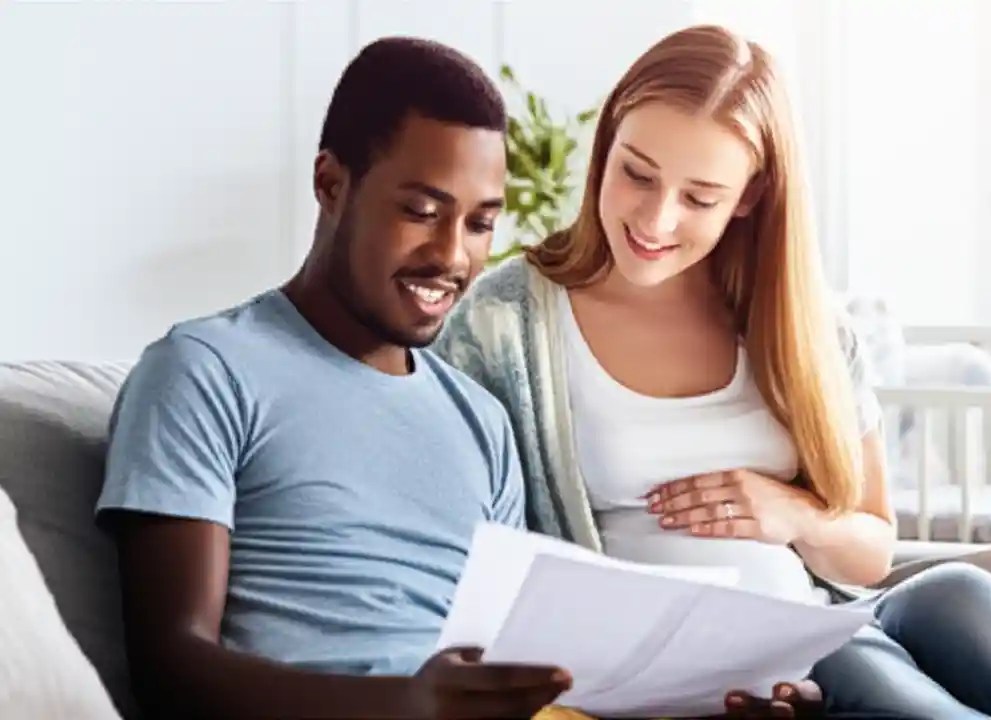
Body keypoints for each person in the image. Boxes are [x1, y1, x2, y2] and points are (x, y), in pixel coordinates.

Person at [95, 36, 804, 720]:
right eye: (421, 212)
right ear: (331, 184)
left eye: (478, 224)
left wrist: (709, 699)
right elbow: (171, 669)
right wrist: (404, 709)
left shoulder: (480, 420)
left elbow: (518, 660)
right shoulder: (204, 371)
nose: (451, 256)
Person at [434, 25, 991, 720]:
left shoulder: (806, 325)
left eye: (700, 197)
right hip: (704, 675)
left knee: (968, 596)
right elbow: (458, 554)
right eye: (636, 172)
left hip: (821, 625)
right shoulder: (504, 322)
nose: (655, 217)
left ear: (751, 195)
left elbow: (872, 549)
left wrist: (796, 515)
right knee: (875, 680)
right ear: (606, 145)